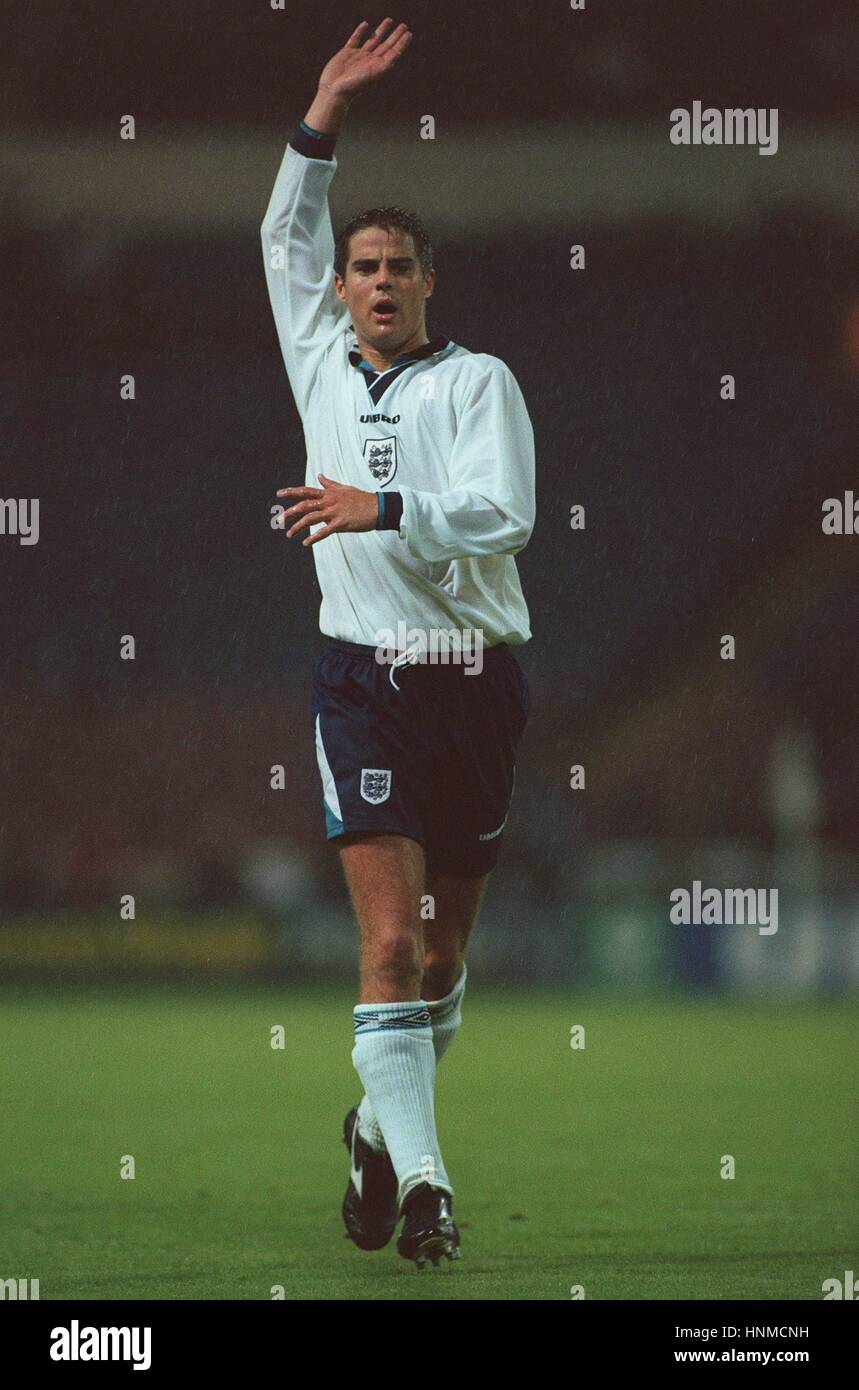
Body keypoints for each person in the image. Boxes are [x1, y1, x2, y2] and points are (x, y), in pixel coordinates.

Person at [261, 17, 535, 1267]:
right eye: (360, 263)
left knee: (440, 951)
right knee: (384, 942)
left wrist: (385, 509)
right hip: (362, 680)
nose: (376, 279)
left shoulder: (477, 383)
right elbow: (281, 231)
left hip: (472, 683)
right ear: (339, 284)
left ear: (430, 284)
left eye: (398, 266)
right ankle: (426, 1185)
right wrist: (326, 103)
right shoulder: (317, 356)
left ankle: (375, 1131)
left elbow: (503, 515)